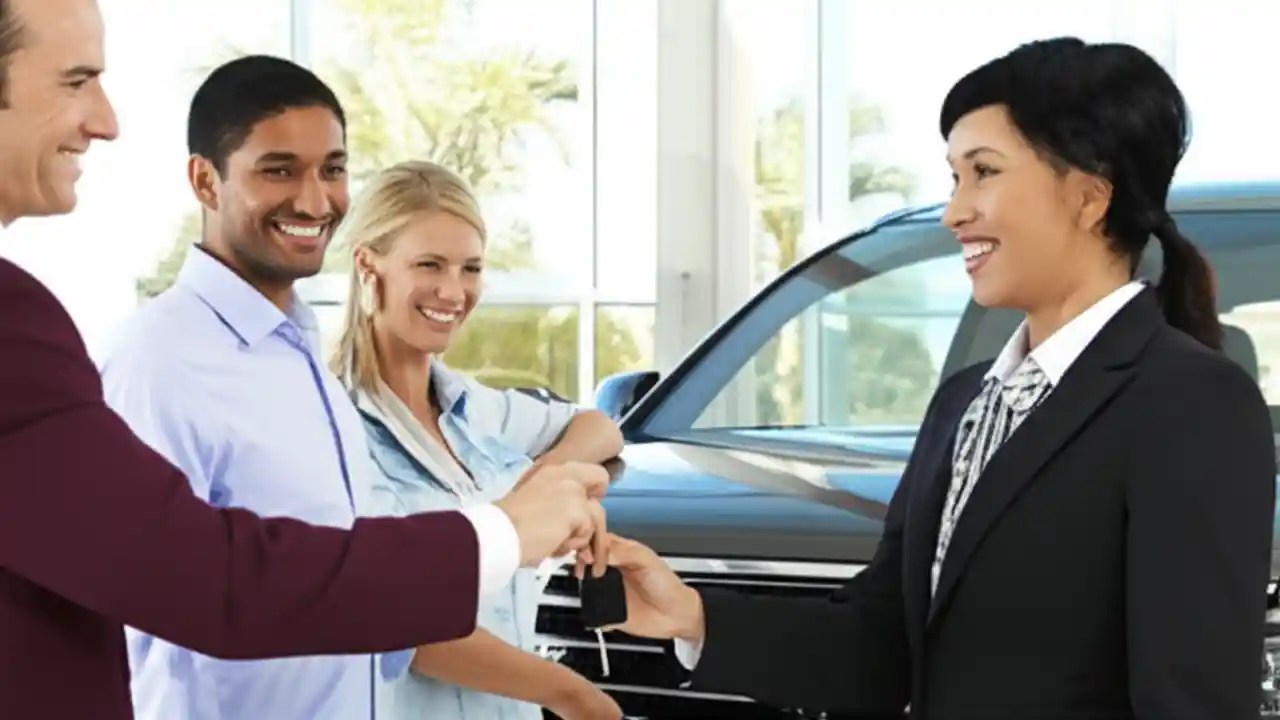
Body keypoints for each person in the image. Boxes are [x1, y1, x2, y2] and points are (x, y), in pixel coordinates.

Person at [595, 37, 1277, 720]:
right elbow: (884, 647)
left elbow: (1194, 703)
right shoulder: (967, 401)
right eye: (955, 178)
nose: (955, 211)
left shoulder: (1190, 404)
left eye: (984, 172)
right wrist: (689, 615)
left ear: (1089, 195)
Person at [0, 2, 606, 718]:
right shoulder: (145, 357)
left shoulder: (304, 357)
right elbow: (198, 582)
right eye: (76, 81)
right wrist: (501, 533)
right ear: (206, 182)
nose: (106, 120)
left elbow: (327, 581)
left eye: (333, 170)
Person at [328, 159, 624, 719]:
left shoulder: (473, 407)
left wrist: (547, 482)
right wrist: (571, 693)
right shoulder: (332, 425)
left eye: (470, 268)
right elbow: (407, 627)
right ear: (369, 267)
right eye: (429, 265)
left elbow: (600, 428)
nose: (453, 290)